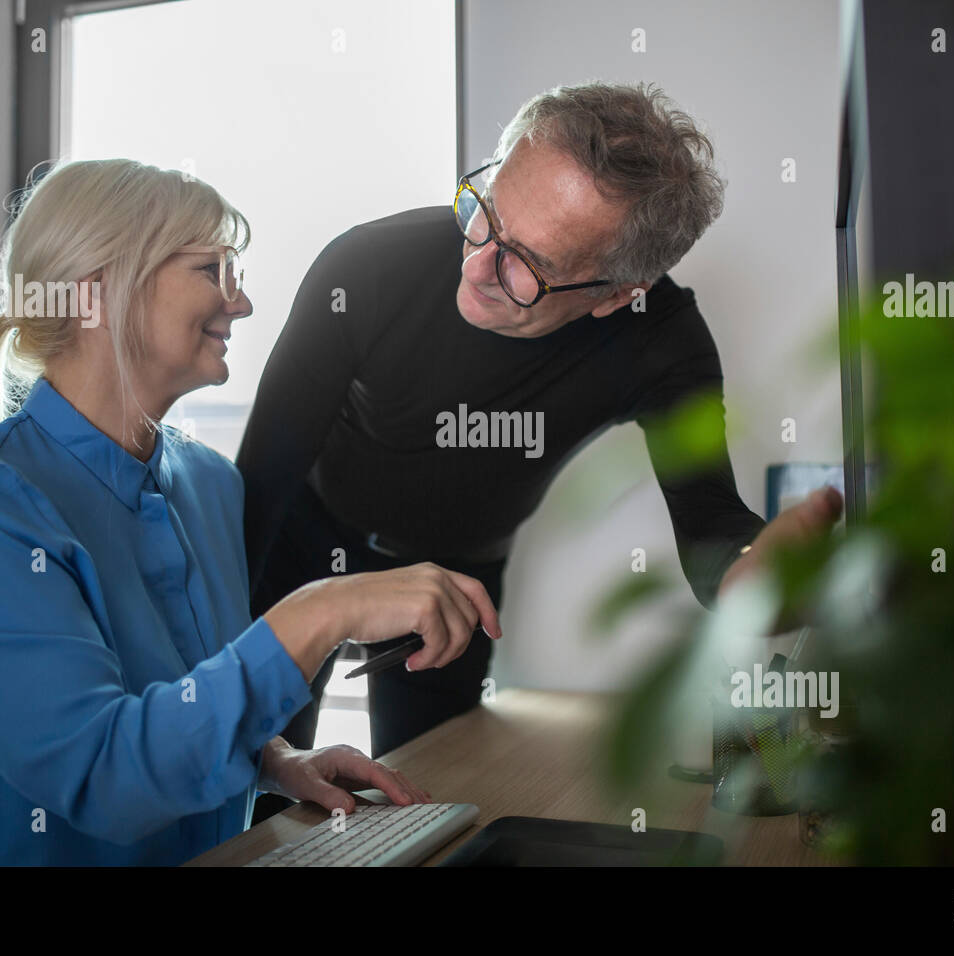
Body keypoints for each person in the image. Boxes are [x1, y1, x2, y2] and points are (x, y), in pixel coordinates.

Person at [0, 159, 498, 867]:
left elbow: (172, 703)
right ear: (96, 293)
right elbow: (102, 776)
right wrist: (322, 611)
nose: (240, 303)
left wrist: (274, 758)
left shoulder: (209, 483)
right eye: (212, 270)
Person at [236, 82, 842, 763]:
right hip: (301, 544)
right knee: (260, 782)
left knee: (430, 794)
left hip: (457, 578)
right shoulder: (366, 269)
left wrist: (756, 586)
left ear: (619, 294)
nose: (478, 264)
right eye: (486, 213)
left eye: (529, 265)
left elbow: (713, 530)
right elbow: (255, 489)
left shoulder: (660, 341)